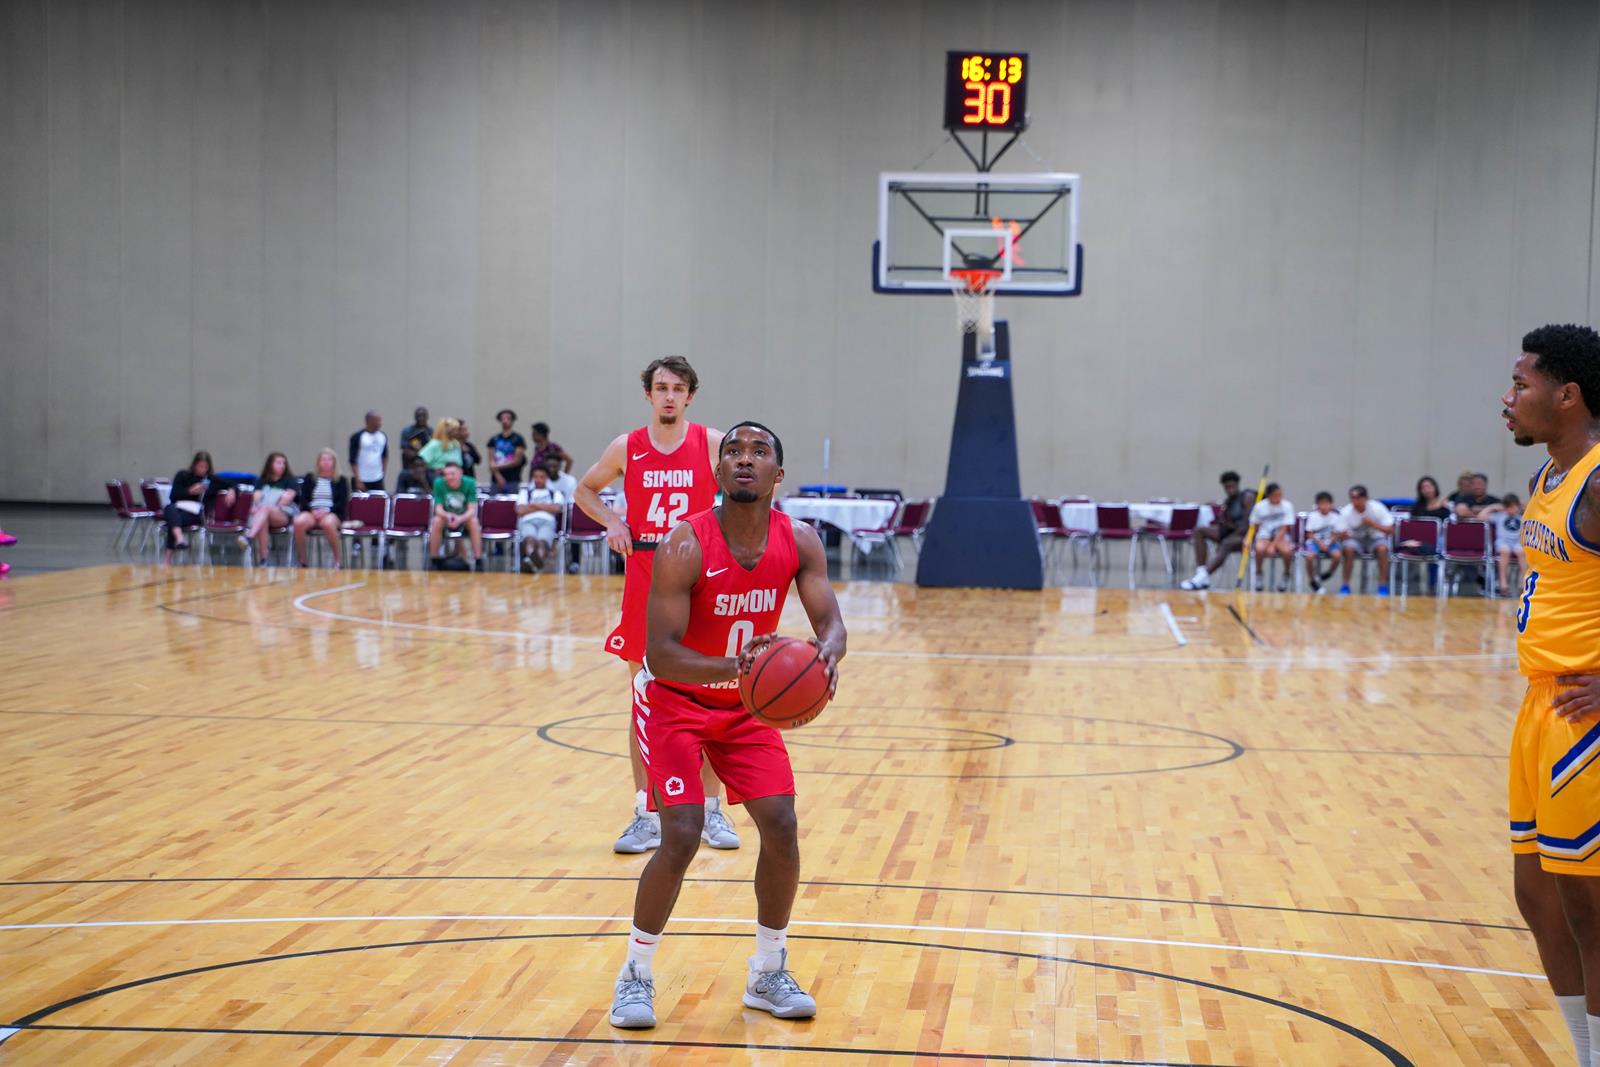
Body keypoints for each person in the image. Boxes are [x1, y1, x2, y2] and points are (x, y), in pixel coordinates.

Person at [608, 421, 846, 1030]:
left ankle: (768, 971)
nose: (744, 459)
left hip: (745, 710)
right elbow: (660, 653)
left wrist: (827, 654)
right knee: (682, 834)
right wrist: (741, 667)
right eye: (733, 451)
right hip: (676, 703)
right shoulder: (685, 544)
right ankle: (635, 974)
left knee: (782, 825)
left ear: (777, 474)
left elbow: (831, 621)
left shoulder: (800, 540)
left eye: (759, 451)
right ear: (717, 471)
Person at [575, 356, 738, 853]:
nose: (669, 396)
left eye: (678, 388)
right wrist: (613, 521)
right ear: (648, 394)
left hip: (700, 581)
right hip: (645, 577)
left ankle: (710, 810)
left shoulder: (711, 443)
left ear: (690, 396)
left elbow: (751, 490)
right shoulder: (627, 447)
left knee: (710, 698)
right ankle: (646, 813)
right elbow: (585, 490)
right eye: (661, 387)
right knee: (643, 700)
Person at [1498, 323, 1600, 1067]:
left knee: (1590, 909)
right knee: (1537, 897)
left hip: (1584, 715)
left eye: (1520, 384)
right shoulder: (1549, 477)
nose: (1508, 399)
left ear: (1567, 395)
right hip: (1540, 704)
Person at [1180, 471, 1255, 590]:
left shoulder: (1247, 498)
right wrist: (1222, 520)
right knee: (1199, 531)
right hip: (1229, 532)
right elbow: (1226, 522)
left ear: (1237, 484)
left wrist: (1231, 528)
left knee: (1226, 543)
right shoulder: (1228, 501)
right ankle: (1202, 574)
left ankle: (1200, 578)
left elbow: (1246, 525)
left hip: (1244, 536)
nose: (1229, 490)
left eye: (1232, 486)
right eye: (1227, 487)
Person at [161, 451, 234, 560]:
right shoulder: (182, 475)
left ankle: (168, 557)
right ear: (194, 465)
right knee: (169, 509)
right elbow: (173, 497)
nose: (202, 469)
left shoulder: (211, 479)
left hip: (198, 513)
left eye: (205, 467)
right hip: (179, 509)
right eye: (200, 466)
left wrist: (232, 490)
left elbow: (233, 484)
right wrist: (190, 491)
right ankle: (179, 538)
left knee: (173, 520)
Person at [292, 448, 349, 568]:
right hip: (312, 511)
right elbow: (304, 499)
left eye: (329, 460)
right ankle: (302, 560)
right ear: (318, 462)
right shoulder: (310, 478)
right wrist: (312, 510)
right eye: (323, 460)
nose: (326, 462)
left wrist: (327, 511)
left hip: (332, 512)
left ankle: (337, 560)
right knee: (298, 522)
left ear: (334, 462)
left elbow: (342, 502)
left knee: (327, 523)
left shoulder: (341, 480)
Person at [1337, 485, 1392, 595]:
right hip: (1355, 539)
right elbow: (1339, 534)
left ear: (1366, 498)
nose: (1355, 501)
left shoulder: (1377, 508)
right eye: (1352, 498)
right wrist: (1343, 535)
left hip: (1375, 538)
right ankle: (1345, 586)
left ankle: (1382, 586)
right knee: (1348, 549)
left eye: (1358, 498)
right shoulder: (1346, 511)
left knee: (1382, 549)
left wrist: (1373, 524)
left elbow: (1390, 530)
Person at [242, 452, 298, 563]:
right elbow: (256, 498)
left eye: (284, 463)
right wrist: (276, 496)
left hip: (283, 514)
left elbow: (286, 500)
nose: (282, 466)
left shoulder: (290, 480)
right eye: (278, 463)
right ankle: (264, 559)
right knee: (264, 516)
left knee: (265, 509)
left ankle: (249, 536)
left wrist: (266, 501)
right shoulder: (262, 480)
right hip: (264, 515)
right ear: (270, 464)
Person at [429, 461, 484, 571]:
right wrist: (448, 516)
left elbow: (471, 509)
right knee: (436, 521)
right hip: (446, 517)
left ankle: (478, 560)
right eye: (446, 474)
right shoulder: (438, 483)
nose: (449, 477)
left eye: (452, 474)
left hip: (464, 517)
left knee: (474, 522)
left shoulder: (470, 483)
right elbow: (438, 509)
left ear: (460, 473)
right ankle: (434, 560)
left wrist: (460, 519)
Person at [1247, 482, 1295, 591]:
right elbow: (1254, 525)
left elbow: (1284, 528)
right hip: (1264, 535)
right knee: (1259, 549)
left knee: (1287, 551)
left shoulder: (1287, 506)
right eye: (1275, 495)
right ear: (1269, 496)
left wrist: (1273, 545)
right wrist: (1247, 538)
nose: (1278, 498)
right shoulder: (1259, 507)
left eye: (1280, 495)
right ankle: (1259, 573)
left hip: (1281, 536)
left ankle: (1286, 574)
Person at [515, 466, 563, 573]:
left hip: (547, 522)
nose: (538, 479)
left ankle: (532, 564)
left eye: (541, 477)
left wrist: (534, 505)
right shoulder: (525, 493)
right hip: (528, 521)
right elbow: (520, 510)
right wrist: (546, 507)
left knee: (542, 543)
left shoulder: (555, 493)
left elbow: (556, 509)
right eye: (536, 477)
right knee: (530, 541)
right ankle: (535, 565)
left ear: (547, 478)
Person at [1301, 491, 1343, 593]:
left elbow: (1336, 534)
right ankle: (1312, 580)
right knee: (1309, 557)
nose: (1324, 506)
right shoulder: (1313, 516)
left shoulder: (1335, 517)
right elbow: (1310, 534)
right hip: (1315, 542)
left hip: (1331, 543)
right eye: (1322, 503)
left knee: (1337, 556)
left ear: (1331, 504)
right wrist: (1320, 543)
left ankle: (1329, 573)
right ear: (1317, 505)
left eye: (1327, 503)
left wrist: (1329, 543)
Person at [1489, 493, 1525, 595]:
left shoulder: (1522, 516)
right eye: (1509, 507)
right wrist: (1492, 507)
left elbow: (1536, 515)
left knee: (1522, 551)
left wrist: (1524, 506)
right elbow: (1481, 516)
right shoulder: (1499, 516)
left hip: (1517, 543)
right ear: (1504, 507)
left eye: (1514, 507)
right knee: (1505, 551)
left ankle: (1524, 581)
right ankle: (1503, 581)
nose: (1512, 510)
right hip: (1503, 543)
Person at [488, 409, 528, 493]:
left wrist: (497, 466)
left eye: (508, 418)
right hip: (496, 480)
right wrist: (498, 476)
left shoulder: (518, 439)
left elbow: (517, 461)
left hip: (513, 479)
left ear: (512, 421)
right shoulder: (494, 439)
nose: (505, 421)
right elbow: (491, 461)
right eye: (503, 418)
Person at [348, 411, 388, 492]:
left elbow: (385, 456)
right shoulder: (357, 437)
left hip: (377, 478)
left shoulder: (382, 436)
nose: (379, 423)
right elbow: (353, 460)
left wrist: (382, 473)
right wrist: (358, 480)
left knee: (379, 499)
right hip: (362, 478)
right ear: (369, 421)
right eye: (377, 421)